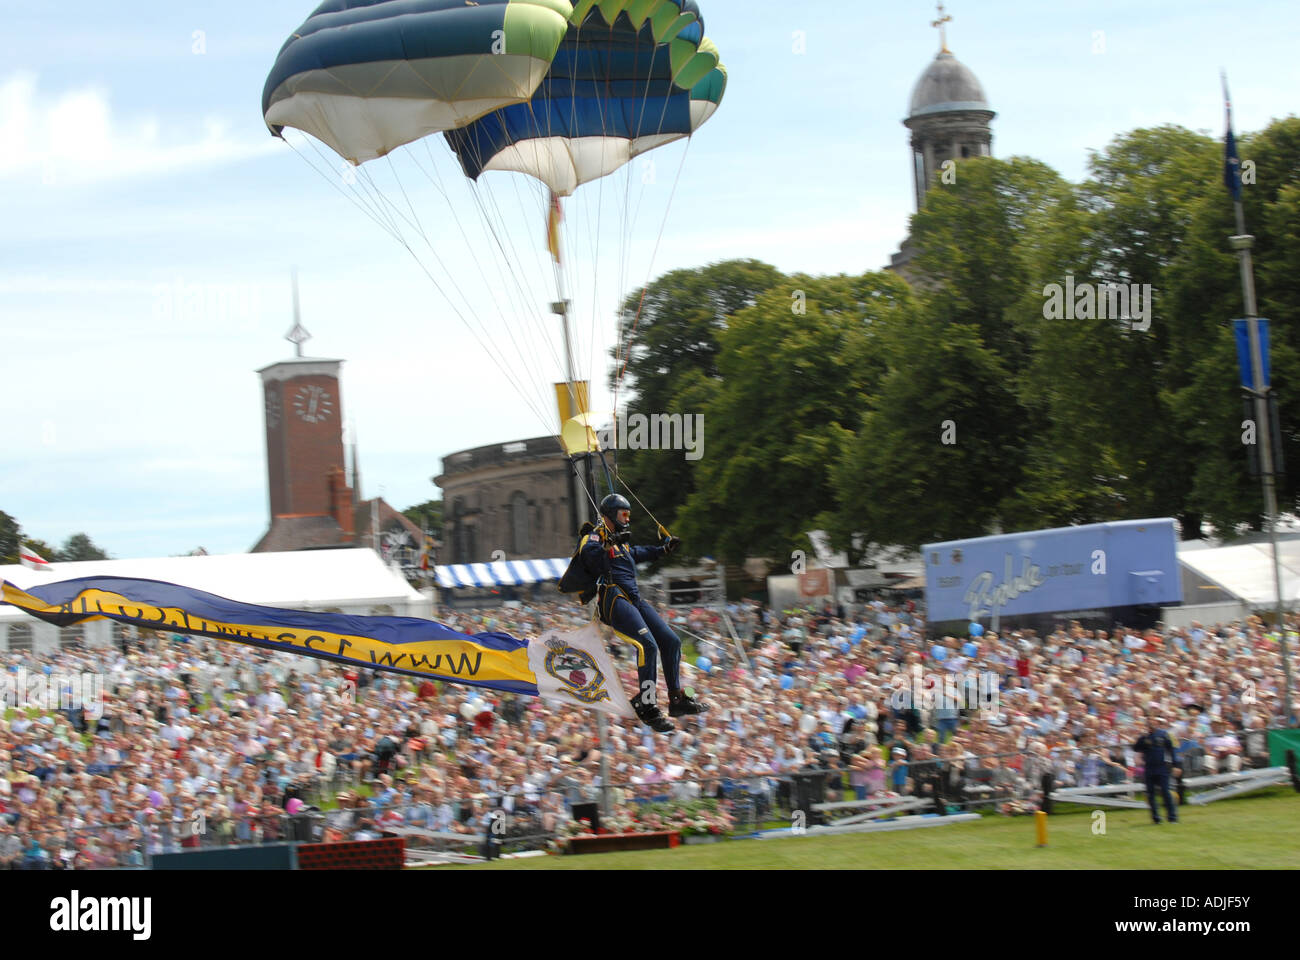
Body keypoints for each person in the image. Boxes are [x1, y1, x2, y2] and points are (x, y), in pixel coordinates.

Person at [576, 494, 707, 732]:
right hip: (613, 597)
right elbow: (589, 555)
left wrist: (663, 549)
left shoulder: (622, 542)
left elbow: (636, 553)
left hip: (633, 598)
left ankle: (677, 698)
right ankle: (646, 704)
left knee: (671, 642)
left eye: (628, 515)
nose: (627, 519)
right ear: (610, 515)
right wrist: (608, 542)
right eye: (623, 514)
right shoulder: (595, 535)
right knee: (648, 645)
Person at [1134, 715, 1179, 824]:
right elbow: (1135, 748)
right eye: (1149, 721)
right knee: (1150, 794)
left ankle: (1172, 817)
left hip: (1162, 767)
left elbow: (1171, 750)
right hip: (1149, 768)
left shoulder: (1164, 734)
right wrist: (1141, 737)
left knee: (1165, 792)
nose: (1151, 723)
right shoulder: (1145, 737)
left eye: (1152, 721)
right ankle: (1156, 818)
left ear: (1156, 723)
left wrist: (1176, 765)